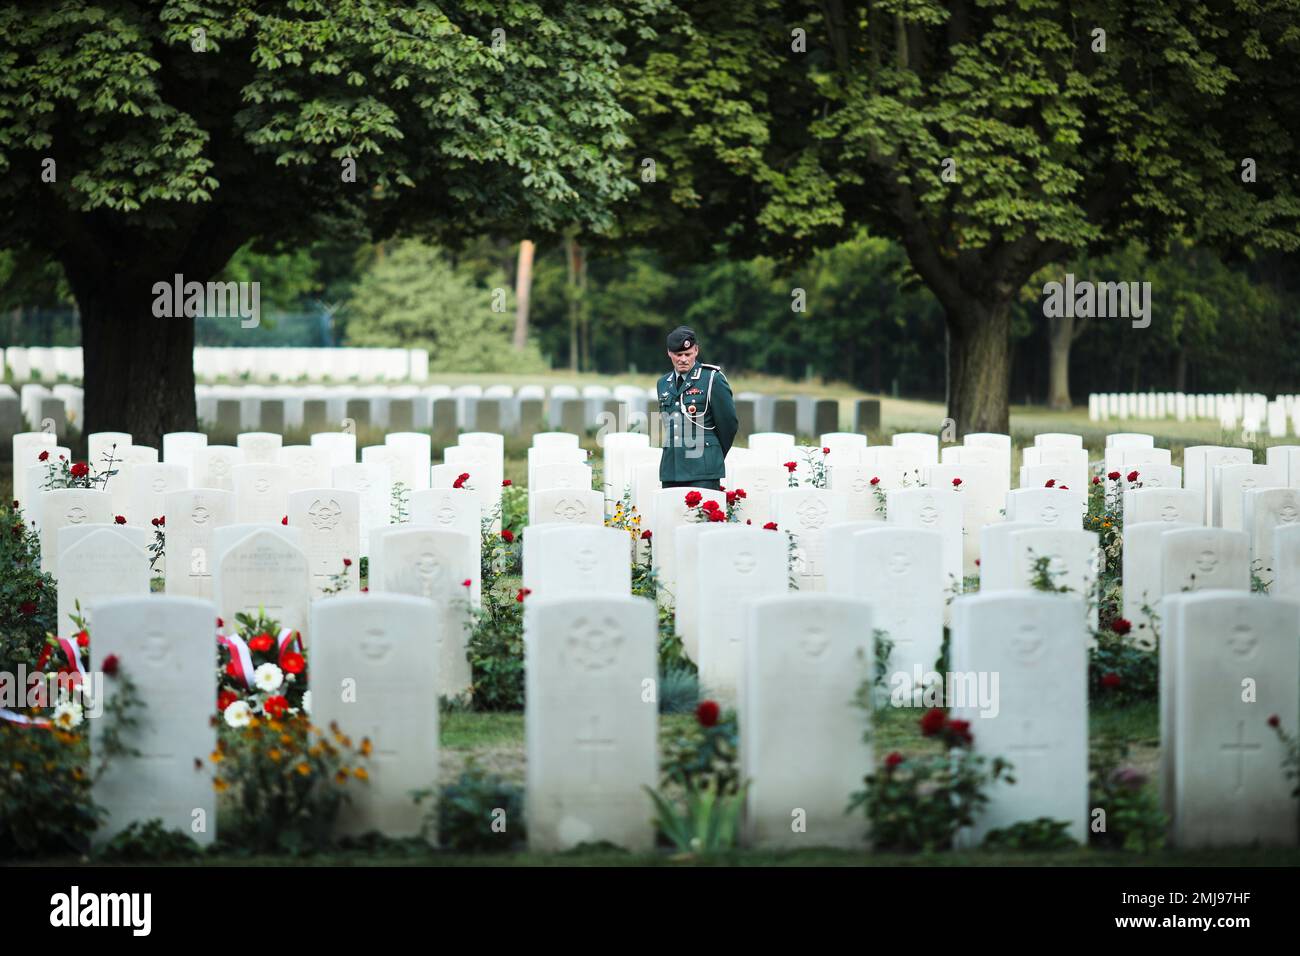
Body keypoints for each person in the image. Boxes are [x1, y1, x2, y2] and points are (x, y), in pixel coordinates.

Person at [657, 325, 737, 490]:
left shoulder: (712, 378)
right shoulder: (663, 383)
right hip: (671, 468)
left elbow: (728, 423)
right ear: (669, 353)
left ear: (696, 351)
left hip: (703, 469)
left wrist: (712, 454)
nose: (683, 359)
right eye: (678, 355)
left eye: (688, 354)